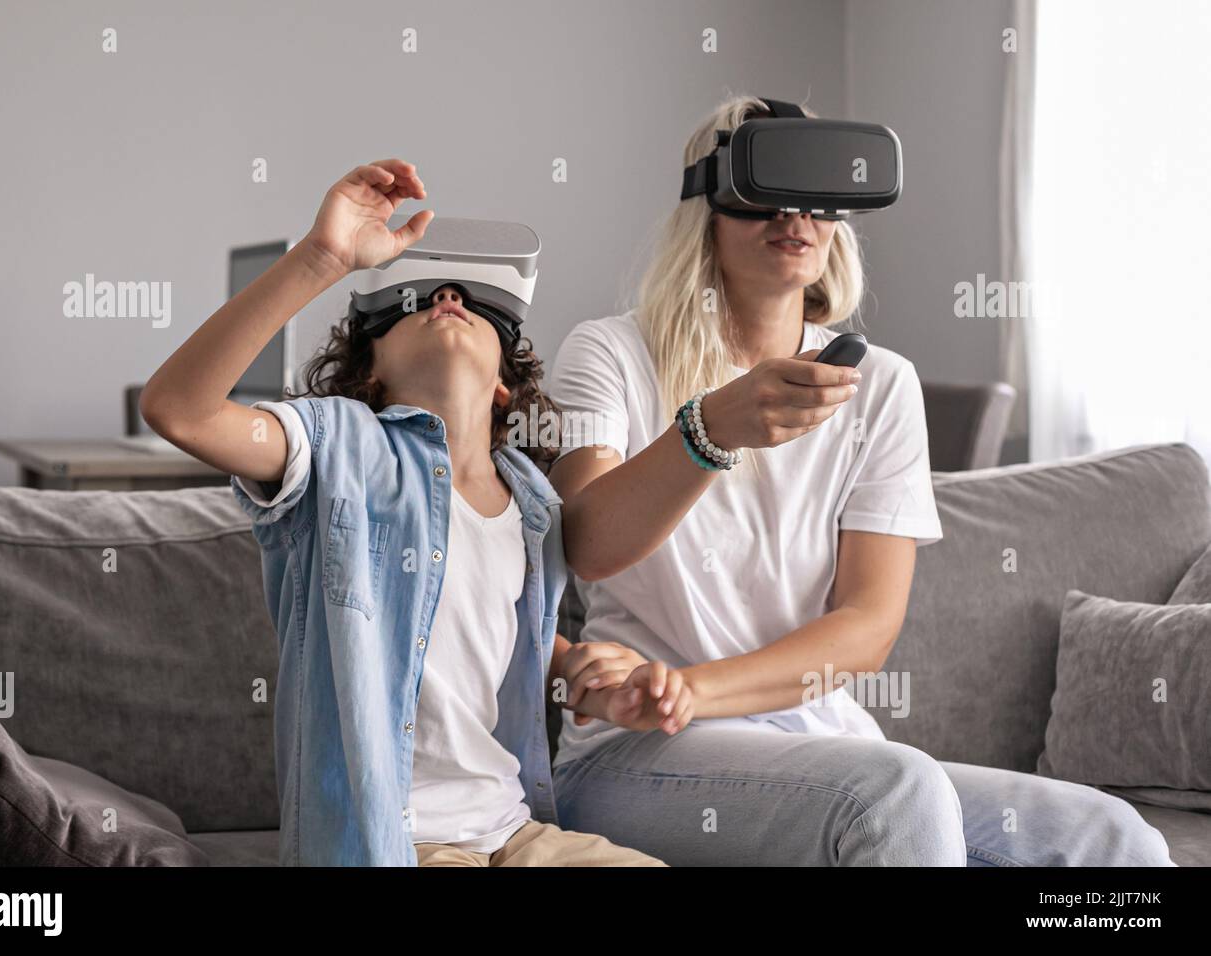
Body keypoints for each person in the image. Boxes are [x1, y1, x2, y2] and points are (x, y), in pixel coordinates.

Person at [545, 97, 1175, 867]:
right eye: (762, 190)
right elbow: (589, 543)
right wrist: (711, 430)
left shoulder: (879, 384)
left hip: (819, 744)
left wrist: (693, 686)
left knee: (1111, 835)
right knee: (894, 792)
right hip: (633, 752)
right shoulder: (608, 355)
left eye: (818, 194)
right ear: (705, 204)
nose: (794, 216)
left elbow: (867, 626)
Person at [139, 159, 689, 866]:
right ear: (369, 370)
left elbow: (486, 635)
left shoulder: (533, 502)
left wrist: (584, 675)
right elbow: (179, 409)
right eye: (415, 299)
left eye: (474, 304)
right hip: (390, 841)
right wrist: (323, 258)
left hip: (513, 832)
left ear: (502, 386)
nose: (449, 297)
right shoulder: (337, 447)